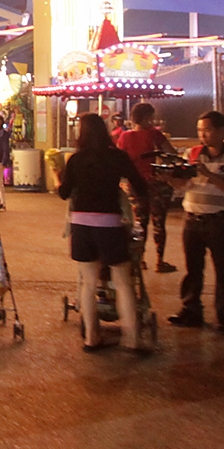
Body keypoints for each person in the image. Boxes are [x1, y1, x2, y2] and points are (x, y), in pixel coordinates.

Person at [58, 114, 150, 351]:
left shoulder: (75, 160)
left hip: (81, 223)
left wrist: (57, 176)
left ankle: (91, 337)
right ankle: (132, 338)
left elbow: (64, 193)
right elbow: (140, 186)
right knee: (122, 282)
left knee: (88, 283)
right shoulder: (117, 157)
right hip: (109, 223)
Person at [167, 111, 224, 334]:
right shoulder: (191, 154)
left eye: (207, 130)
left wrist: (209, 175)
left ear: (221, 131)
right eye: (200, 130)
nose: (202, 135)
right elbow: (183, 185)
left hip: (219, 221)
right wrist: (170, 179)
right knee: (193, 268)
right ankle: (191, 310)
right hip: (192, 219)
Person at [117, 102, 175, 272]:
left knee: (140, 223)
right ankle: (160, 260)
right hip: (156, 183)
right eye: (151, 116)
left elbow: (121, 159)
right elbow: (171, 154)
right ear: (146, 117)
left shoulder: (124, 137)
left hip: (135, 184)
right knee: (159, 222)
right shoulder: (154, 135)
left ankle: (140, 259)